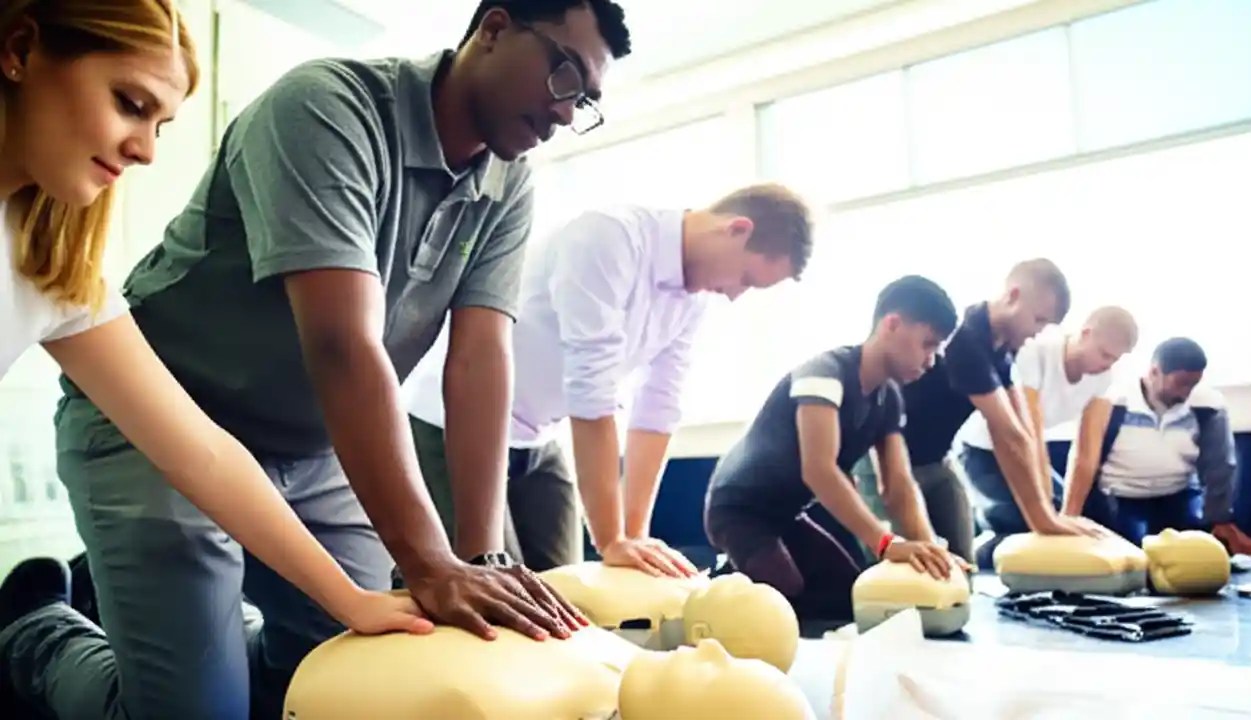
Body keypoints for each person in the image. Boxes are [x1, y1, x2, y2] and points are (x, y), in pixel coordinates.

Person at [17, 1, 633, 718]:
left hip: (311, 452)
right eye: (566, 75)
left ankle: (204, 634)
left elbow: (480, 361)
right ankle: (41, 633)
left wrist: (480, 557)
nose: (566, 112)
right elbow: (344, 345)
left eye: (585, 100)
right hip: (161, 420)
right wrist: (428, 560)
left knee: (370, 670)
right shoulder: (326, 108)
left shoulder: (507, 184)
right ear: (494, 29)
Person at [0, 0, 434, 716]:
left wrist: (350, 600)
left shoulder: (53, 270)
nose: (145, 149)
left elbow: (200, 451)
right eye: (130, 104)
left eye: (160, 124)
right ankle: (41, 633)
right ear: (20, 48)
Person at [402, 184, 814, 577]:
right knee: (499, 592)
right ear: (737, 228)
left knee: (570, 601)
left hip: (538, 437)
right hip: (450, 422)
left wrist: (634, 536)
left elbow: (658, 407)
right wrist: (611, 538)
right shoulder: (608, 237)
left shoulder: (693, 301)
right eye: (746, 279)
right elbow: (591, 389)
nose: (734, 295)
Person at [703, 276, 968, 621]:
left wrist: (931, 550)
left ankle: (745, 571)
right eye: (928, 344)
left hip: (784, 516)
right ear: (892, 325)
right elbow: (818, 470)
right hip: (737, 510)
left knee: (847, 597)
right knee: (786, 598)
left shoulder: (888, 399)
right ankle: (720, 582)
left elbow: (899, 486)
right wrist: (886, 543)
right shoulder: (824, 373)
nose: (931, 361)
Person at [853, 259, 1106, 564]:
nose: (1039, 332)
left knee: (963, 564)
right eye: (1038, 320)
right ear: (1013, 296)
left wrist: (1051, 513)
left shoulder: (1002, 345)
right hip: (883, 461)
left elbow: (1023, 430)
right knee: (908, 567)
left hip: (936, 461)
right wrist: (1043, 520)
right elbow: (1006, 435)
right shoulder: (967, 339)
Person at [955, 306, 1140, 567]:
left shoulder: (1105, 378)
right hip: (984, 450)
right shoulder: (1037, 351)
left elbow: (1086, 452)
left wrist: (1069, 518)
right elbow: (1029, 434)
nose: (1107, 364)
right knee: (1028, 524)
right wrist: (1048, 520)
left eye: (1115, 359)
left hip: (1029, 449)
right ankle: (976, 551)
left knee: (1079, 522)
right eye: (1104, 354)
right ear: (1085, 334)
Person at [1063, 337, 1251, 556]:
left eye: (1193, 384)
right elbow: (1084, 461)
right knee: (1134, 555)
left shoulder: (1208, 405)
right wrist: (1070, 518)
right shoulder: (1112, 400)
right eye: (1180, 383)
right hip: (1120, 497)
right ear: (1154, 372)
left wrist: (1220, 519)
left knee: (1193, 556)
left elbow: (1221, 465)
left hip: (1178, 494)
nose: (1185, 393)